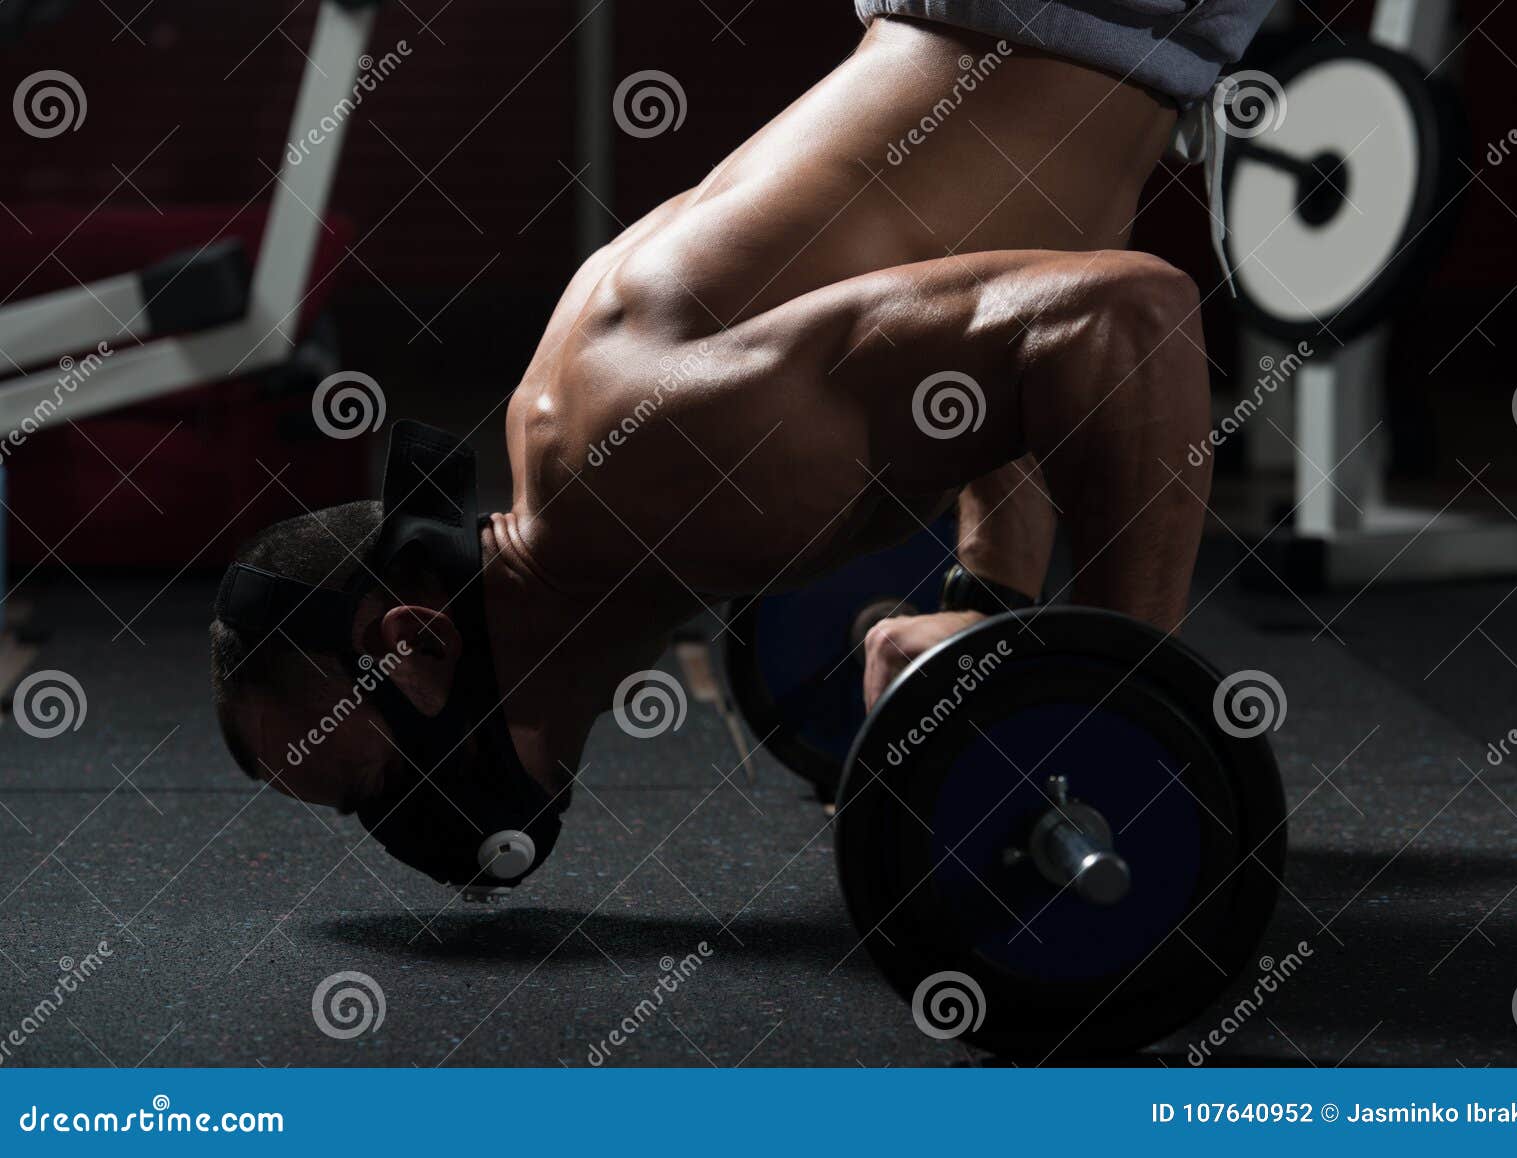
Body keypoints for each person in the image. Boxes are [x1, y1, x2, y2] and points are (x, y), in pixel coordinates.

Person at [211, 2, 1276, 882]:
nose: (400, 833)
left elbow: (1118, 323)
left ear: (416, 645)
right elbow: (984, 324)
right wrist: (986, 609)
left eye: (366, 791)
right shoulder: (604, 479)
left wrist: (1119, 733)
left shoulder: (663, 476)